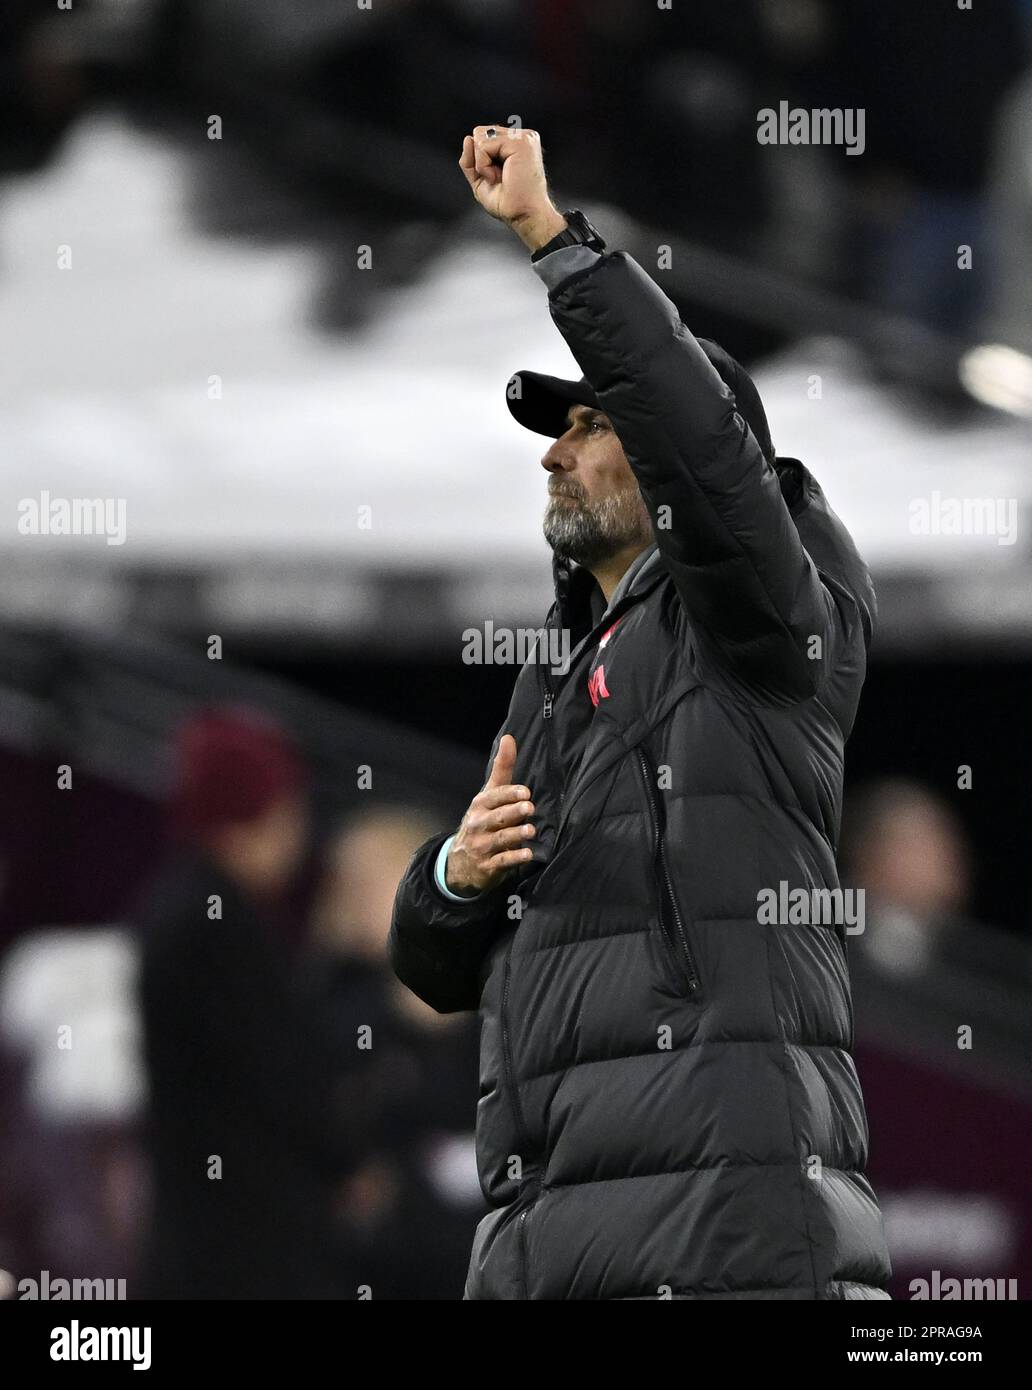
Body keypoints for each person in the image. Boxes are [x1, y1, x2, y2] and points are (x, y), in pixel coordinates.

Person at [388, 125, 892, 1301]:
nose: (555, 456)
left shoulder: (766, 619)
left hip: (726, 1230)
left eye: (591, 423)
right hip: (557, 1231)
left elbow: (703, 445)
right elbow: (446, 969)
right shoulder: (560, 665)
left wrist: (553, 242)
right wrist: (453, 879)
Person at [133, 707, 381, 1298]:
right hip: (242, 1246)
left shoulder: (186, 907)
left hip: (210, 1235)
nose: (300, 832)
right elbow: (282, 1074)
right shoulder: (214, 923)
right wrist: (347, 1165)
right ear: (248, 817)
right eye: (288, 809)